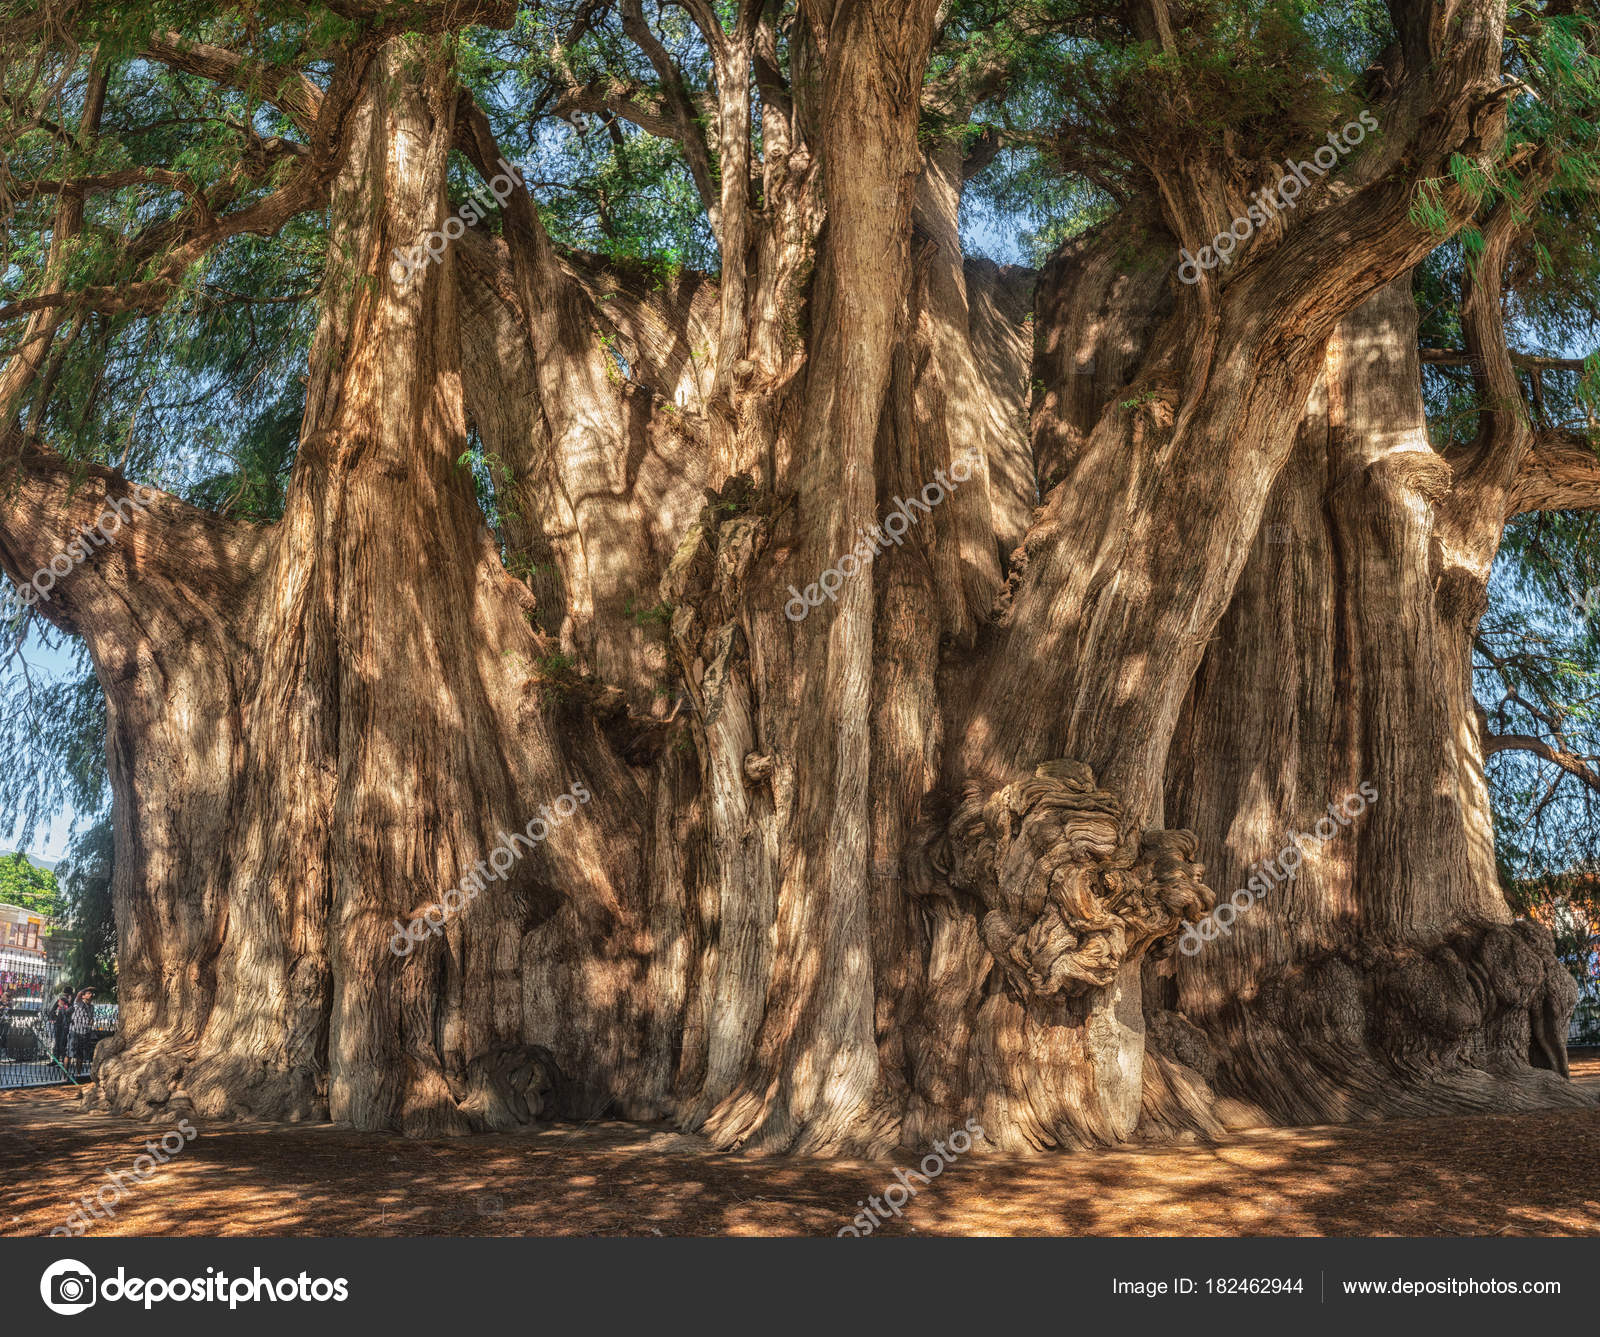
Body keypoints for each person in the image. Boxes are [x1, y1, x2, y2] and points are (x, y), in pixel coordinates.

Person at [69, 989, 96, 1069]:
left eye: (91, 993)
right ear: (83, 996)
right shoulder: (79, 1003)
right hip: (75, 1030)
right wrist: (87, 988)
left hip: (84, 1031)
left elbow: (91, 1018)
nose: (90, 995)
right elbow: (79, 994)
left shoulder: (91, 1007)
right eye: (88, 993)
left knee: (80, 1055)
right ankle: (64, 1075)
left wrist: (91, 1022)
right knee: (69, 1053)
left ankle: (78, 1073)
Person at [50, 986, 72, 1064]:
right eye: (64, 994)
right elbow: (53, 1010)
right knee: (57, 1042)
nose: (64, 996)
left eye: (66, 995)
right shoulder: (60, 1000)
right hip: (58, 1023)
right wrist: (53, 1018)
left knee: (63, 1043)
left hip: (66, 1025)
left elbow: (70, 1011)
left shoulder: (70, 1003)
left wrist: (68, 1002)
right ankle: (55, 1060)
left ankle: (63, 1060)